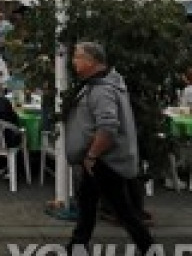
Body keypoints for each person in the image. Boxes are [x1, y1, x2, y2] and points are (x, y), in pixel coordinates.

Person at [63, 41, 154, 254]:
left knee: (123, 211)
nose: (73, 61)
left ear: (90, 61)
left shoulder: (102, 90)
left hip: (105, 161)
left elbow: (108, 127)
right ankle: (76, 247)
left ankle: (149, 248)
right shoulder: (99, 84)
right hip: (100, 159)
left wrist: (93, 155)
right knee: (88, 205)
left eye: (77, 56)